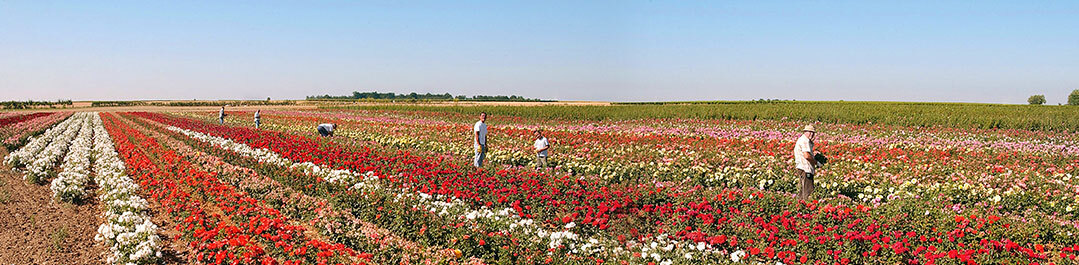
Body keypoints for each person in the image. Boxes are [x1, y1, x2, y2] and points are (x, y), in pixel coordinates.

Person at [792, 124, 822, 201]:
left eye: (813, 132)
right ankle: (808, 207)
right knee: (808, 191)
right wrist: (816, 162)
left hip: (802, 167)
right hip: (805, 168)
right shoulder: (805, 141)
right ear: (805, 132)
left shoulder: (802, 140)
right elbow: (806, 156)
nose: (811, 134)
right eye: (810, 132)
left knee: (803, 190)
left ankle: (800, 206)